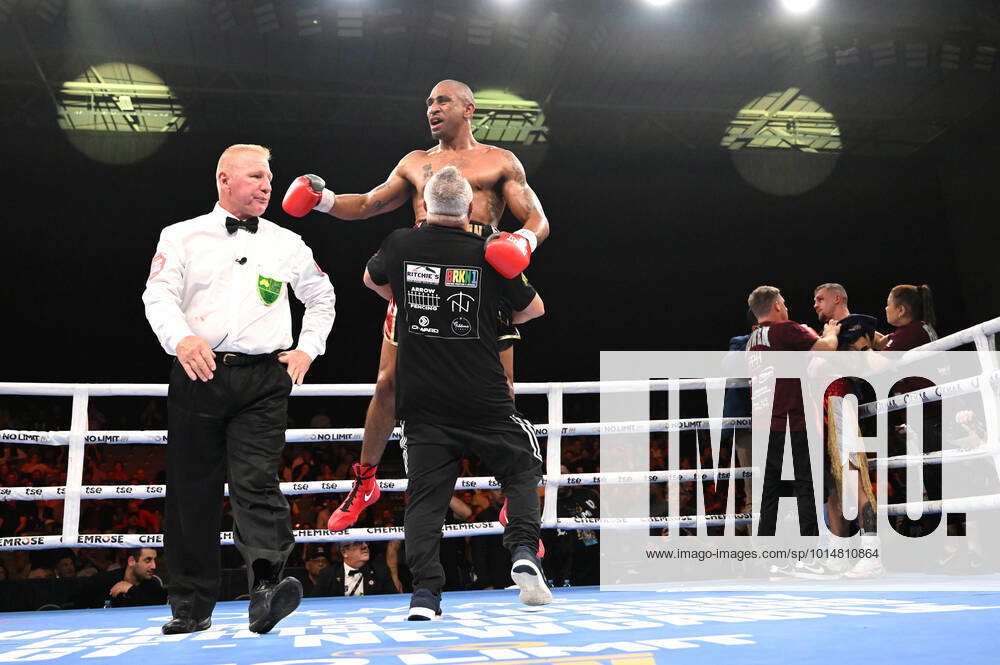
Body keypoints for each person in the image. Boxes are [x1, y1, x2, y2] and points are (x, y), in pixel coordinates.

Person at [282, 79, 550, 531]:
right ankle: (365, 481)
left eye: (442, 100)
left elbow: (538, 219)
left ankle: (515, 493)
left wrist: (523, 241)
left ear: (469, 108)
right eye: (428, 102)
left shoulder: (500, 161)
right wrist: (321, 201)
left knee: (501, 386)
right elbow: (368, 204)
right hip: (421, 279)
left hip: (479, 282)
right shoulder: (414, 163)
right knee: (387, 383)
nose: (432, 108)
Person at [142, 144, 336, 635]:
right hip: (198, 372)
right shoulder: (181, 235)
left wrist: (307, 349)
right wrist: (181, 338)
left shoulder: (286, 242)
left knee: (257, 482)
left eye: (269, 177)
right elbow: (158, 295)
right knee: (191, 491)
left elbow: (321, 296)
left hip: (263, 379)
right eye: (255, 177)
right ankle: (190, 605)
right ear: (224, 179)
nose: (267, 186)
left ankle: (267, 589)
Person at [363, 167, 547, 619]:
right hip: (484, 398)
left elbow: (371, 281)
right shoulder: (490, 250)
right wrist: (489, 308)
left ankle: (425, 595)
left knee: (426, 497)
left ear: (425, 206)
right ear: (469, 209)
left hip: (423, 403)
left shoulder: (400, 243)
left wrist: (410, 300)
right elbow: (534, 311)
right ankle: (524, 549)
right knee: (523, 465)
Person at [745, 286, 839, 551]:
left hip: (763, 425)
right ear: (776, 305)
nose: (786, 308)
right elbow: (826, 349)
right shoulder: (784, 329)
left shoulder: (752, 341)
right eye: (784, 303)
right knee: (806, 485)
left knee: (770, 492)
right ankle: (810, 554)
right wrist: (831, 332)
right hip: (791, 420)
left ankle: (767, 556)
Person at [75, 547, 167, 609]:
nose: (154, 566)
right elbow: (78, 606)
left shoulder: (153, 584)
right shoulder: (102, 581)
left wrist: (131, 590)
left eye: (154, 560)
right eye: (148, 560)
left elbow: (159, 609)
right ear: (131, 561)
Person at [309, 541, 395, 597]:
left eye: (366, 543)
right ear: (344, 552)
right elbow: (314, 603)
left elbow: (393, 600)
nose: (365, 546)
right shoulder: (328, 574)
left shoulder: (380, 571)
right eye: (357, 543)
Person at [876, 284, 939, 351]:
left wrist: (867, 347)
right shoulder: (918, 328)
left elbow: (881, 358)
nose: (886, 308)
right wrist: (868, 329)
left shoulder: (909, 334)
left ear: (901, 310)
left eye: (888, 304)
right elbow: (879, 343)